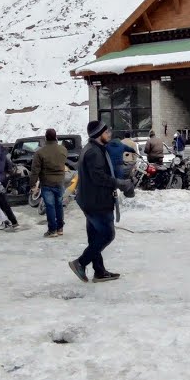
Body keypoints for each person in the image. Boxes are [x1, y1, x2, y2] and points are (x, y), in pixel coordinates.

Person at [68, 120, 133, 283]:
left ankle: (99, 271)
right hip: (97, 202)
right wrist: (119, 183)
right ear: (98, 135)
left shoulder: (94, 149)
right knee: (107, 234)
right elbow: (99, 177)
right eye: (106, 132)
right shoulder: (93, 152)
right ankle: (80, 263)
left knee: (95, 237)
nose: (109, 134)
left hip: (90, 200)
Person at [32, 128, 69, 238]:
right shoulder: (63, 150)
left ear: (46, 137)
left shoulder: (40, 152)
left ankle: (52, 230)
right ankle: (60, 228)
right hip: (60, 182)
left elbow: (35, 170)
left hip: (47, 182)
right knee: (59, 205)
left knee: (50, 206)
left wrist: (32, 184)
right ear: (56, 137)